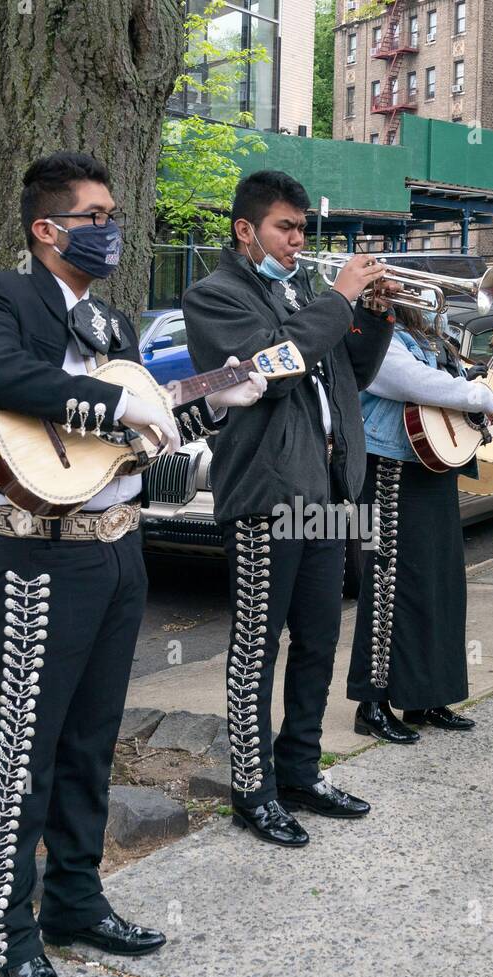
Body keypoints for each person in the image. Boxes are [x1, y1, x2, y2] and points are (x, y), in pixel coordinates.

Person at [0, 152, 264, 977]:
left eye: (113, 212)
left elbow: (136, 436)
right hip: (38, 556)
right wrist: (117, 405)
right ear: (47, 228)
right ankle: (9, 932)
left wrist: (210, 400)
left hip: (120, 550)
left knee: (89, 741)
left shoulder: (115, 326)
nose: (110, 226)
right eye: (94, 214)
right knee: (27, 750)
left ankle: (77, 902)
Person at [182, 170, 395, 848]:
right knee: (255, 647)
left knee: (317, 640)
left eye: (304, 228)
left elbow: (347, 374)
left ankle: (302, 769)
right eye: (286, 227)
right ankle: (253, 787)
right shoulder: (213, 296)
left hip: (327, 488)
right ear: (246, 230)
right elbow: (269, 368)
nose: (300, 239)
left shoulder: (302, 292)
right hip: (266, 495)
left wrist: (376, 315)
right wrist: (337, 299)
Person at [347, 298, 493, 742]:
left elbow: (455, 405)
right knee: (389, 585)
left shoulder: (432, 338)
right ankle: (372, 703)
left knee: (439, 584)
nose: (415, 294)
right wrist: (480, 394)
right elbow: (409, 382)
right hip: (391, 467)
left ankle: (426, 696)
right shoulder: (374, 333)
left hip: (432, 467)